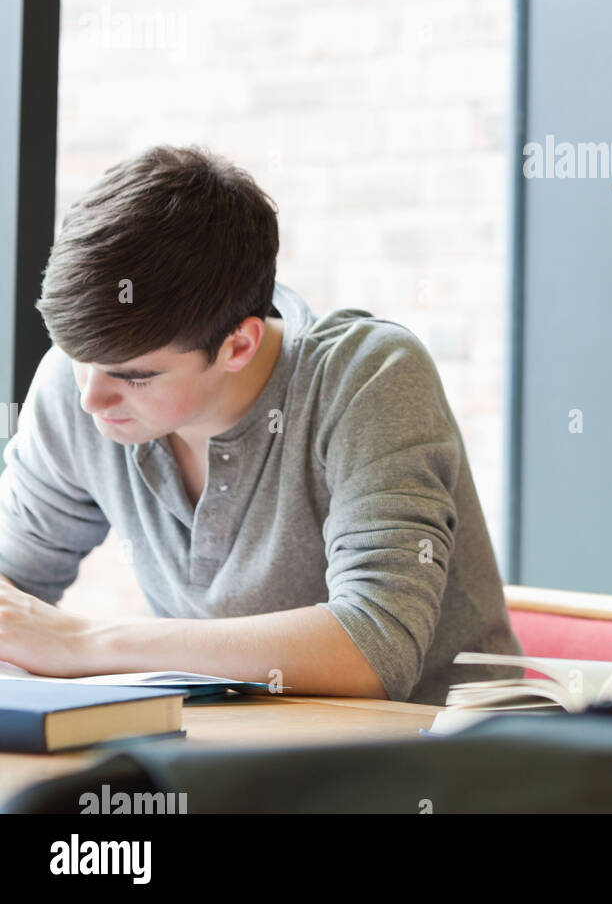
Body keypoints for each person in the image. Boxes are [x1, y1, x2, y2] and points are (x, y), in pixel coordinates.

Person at [0, 145, 521, 703]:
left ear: (239, 344)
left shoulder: (367, 377)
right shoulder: (79, 381)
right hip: (228, 752)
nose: (90, 398)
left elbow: (375, 647)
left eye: (136, 376)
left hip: (446, 756)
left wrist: (82, 642)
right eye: (79, 357)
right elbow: (12, 588)